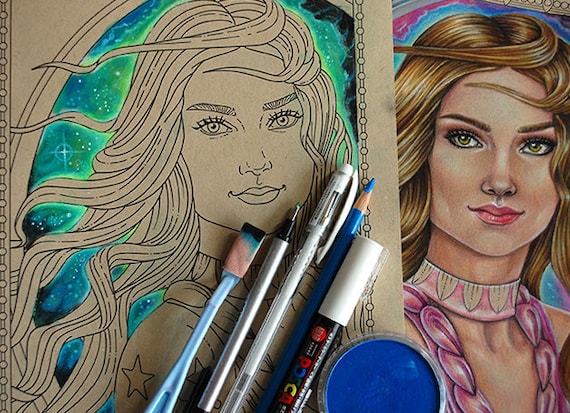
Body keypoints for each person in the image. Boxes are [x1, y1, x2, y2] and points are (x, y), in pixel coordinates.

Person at [10, 0, 354, 411]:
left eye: (281, 118)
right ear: (163, 145)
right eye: (215, 125)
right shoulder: (178, 326)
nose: (257, 161)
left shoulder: (311, 291)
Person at [395, 12, 570, 412]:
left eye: (536, 145)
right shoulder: (384, 329)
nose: (501, 181)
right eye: (465, 138)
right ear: (419, 151)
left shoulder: (564, 339)